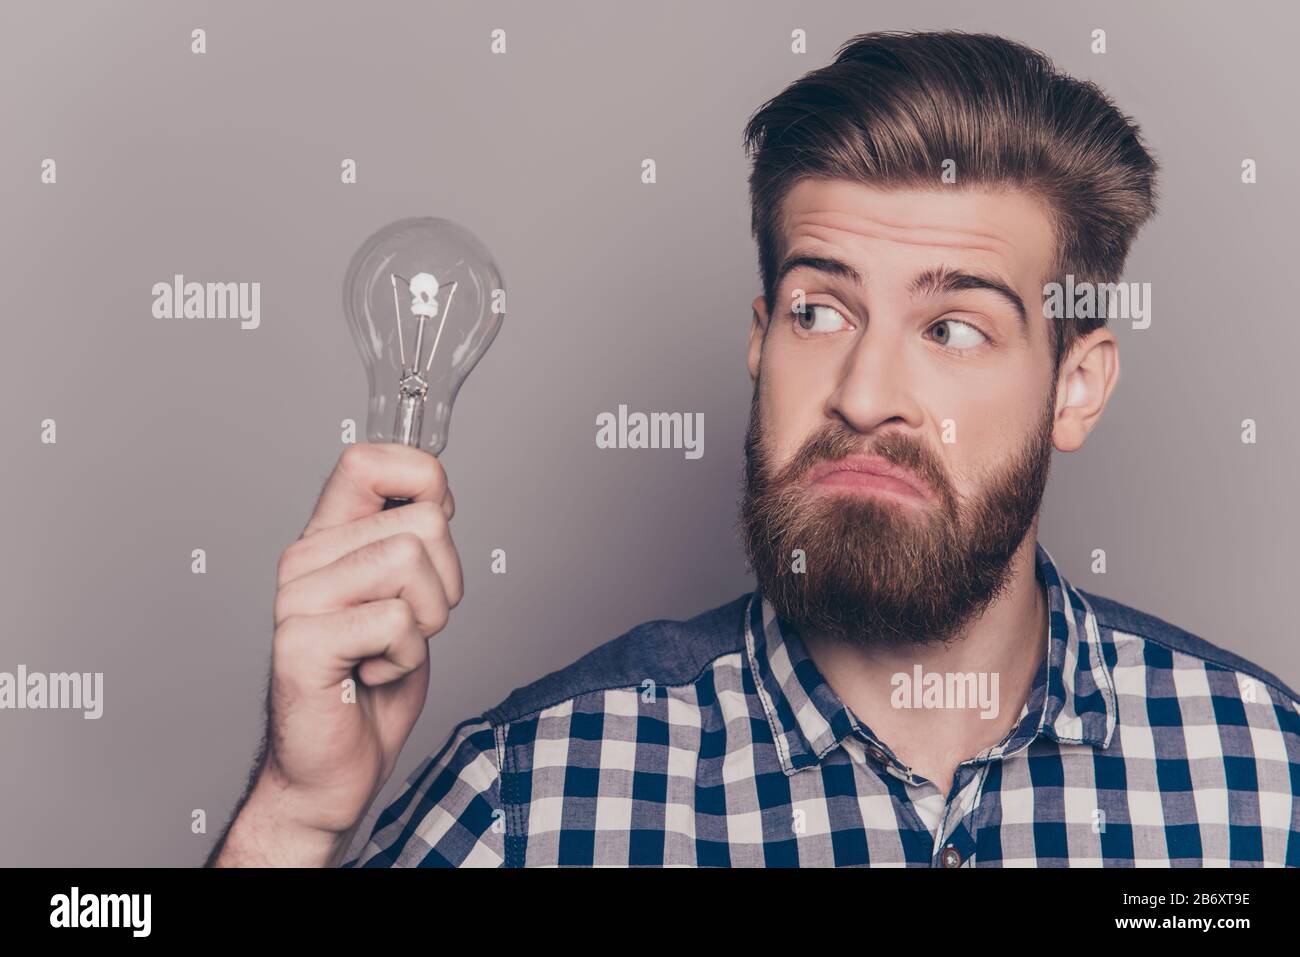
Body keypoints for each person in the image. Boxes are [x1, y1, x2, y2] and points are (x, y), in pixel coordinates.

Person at [208, 30, 1299, 867]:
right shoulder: (533, 793)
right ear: (757, 341)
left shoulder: (1266, 777)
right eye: (818, 312)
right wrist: (296, 818)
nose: (865, 396)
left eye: (953, 327)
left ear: (1076, 384)